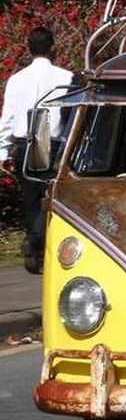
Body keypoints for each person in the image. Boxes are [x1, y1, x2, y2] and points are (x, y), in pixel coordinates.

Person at [0, 27, 73, 273]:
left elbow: (7, 117)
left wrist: (3, 150)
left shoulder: (16, 79)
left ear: (29, 49)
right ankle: (37, 241)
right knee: (51, 195)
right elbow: (70, 115)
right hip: (50, 141)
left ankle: (35, 244)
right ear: (53, 48)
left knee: (30, 197)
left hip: (24, 141)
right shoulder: (66, 77)